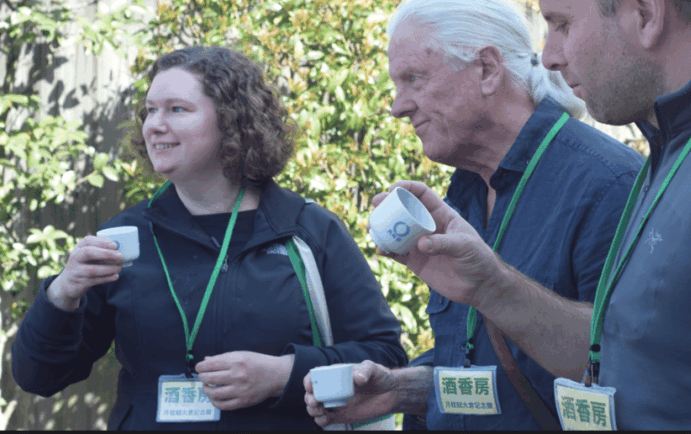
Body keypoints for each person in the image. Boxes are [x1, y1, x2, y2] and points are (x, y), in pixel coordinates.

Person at [309, 0, 691, 430]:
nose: (547, 57)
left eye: (561, 22)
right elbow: (612, 361)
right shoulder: (677, 150)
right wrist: (487, 285)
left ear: (645, 12)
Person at [304, 0, 644, 430]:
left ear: (486, 68)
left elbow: (626, 367)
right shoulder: (462, 192)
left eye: (414, 79)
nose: (397, 107)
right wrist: (400, 390)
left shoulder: (607, 184)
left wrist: (495, 287)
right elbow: (487, 373)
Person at [12, 46, 408, 430]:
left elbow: (385, 358)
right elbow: (38, 378)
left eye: (176, 109)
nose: (154, 124)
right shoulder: (126, 237)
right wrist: (61, 295)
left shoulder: (307, 231)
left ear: (232, 121)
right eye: (150, 110)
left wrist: (283, 374)